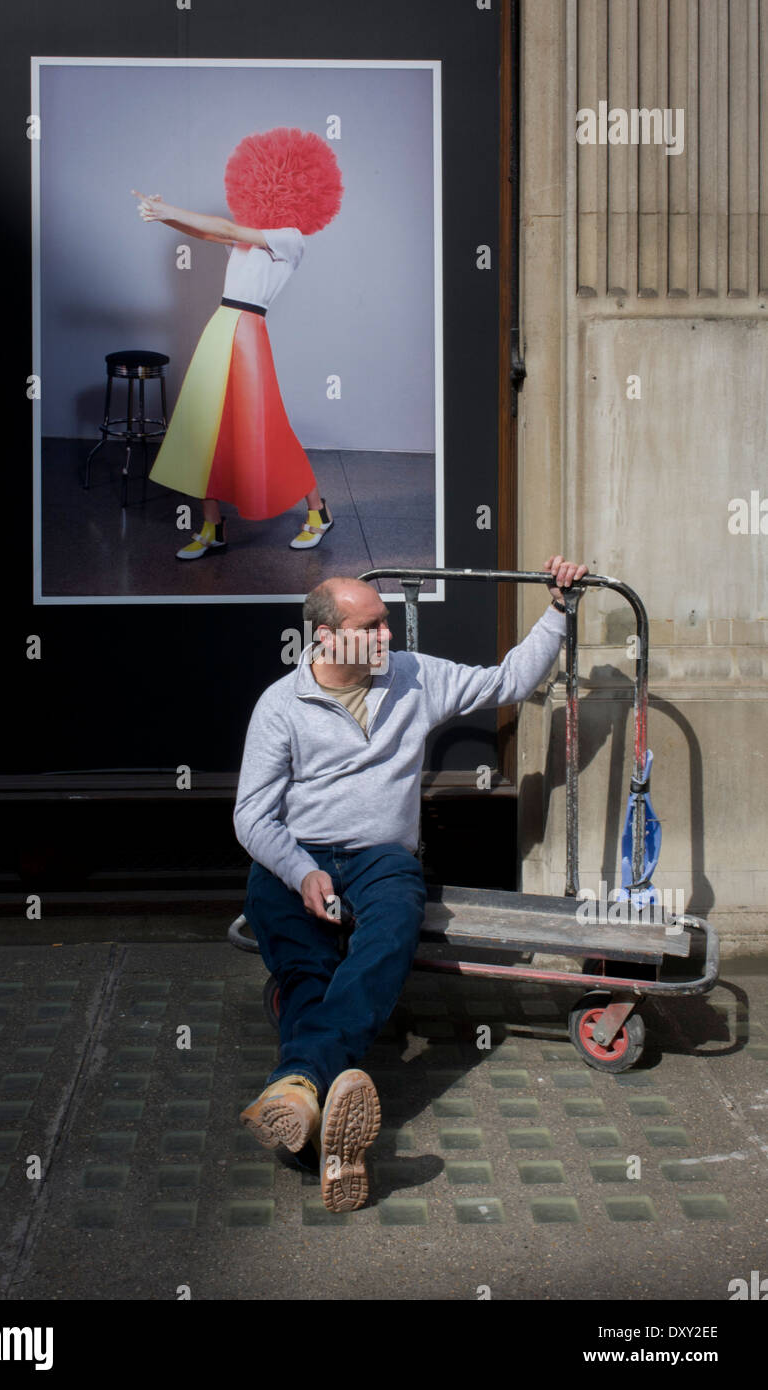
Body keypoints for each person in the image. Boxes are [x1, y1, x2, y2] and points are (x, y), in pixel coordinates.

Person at [233, 554, 588, 1211]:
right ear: (327, 636)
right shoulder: (281, 705)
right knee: (306, 971)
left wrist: (559, 609)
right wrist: (302, 871)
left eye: (387, 621)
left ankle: (298, 1085)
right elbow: (252, 816)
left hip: (381, 858)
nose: (388, 635)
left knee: (389, 936)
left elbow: (511, 680)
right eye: (371, 626)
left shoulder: (414, 676)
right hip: (294, 858)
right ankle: (327, 1139)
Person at [131, 128, 343, 559]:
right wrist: (160, 215)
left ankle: (317, 512)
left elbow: (225, 227)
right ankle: (212, 527)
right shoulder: (249, 235)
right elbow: (211, 234)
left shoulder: (290, 239)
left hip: (248, 331)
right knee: (203, 424)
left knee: (267, 425)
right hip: (221, 325)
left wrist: (168, 209)